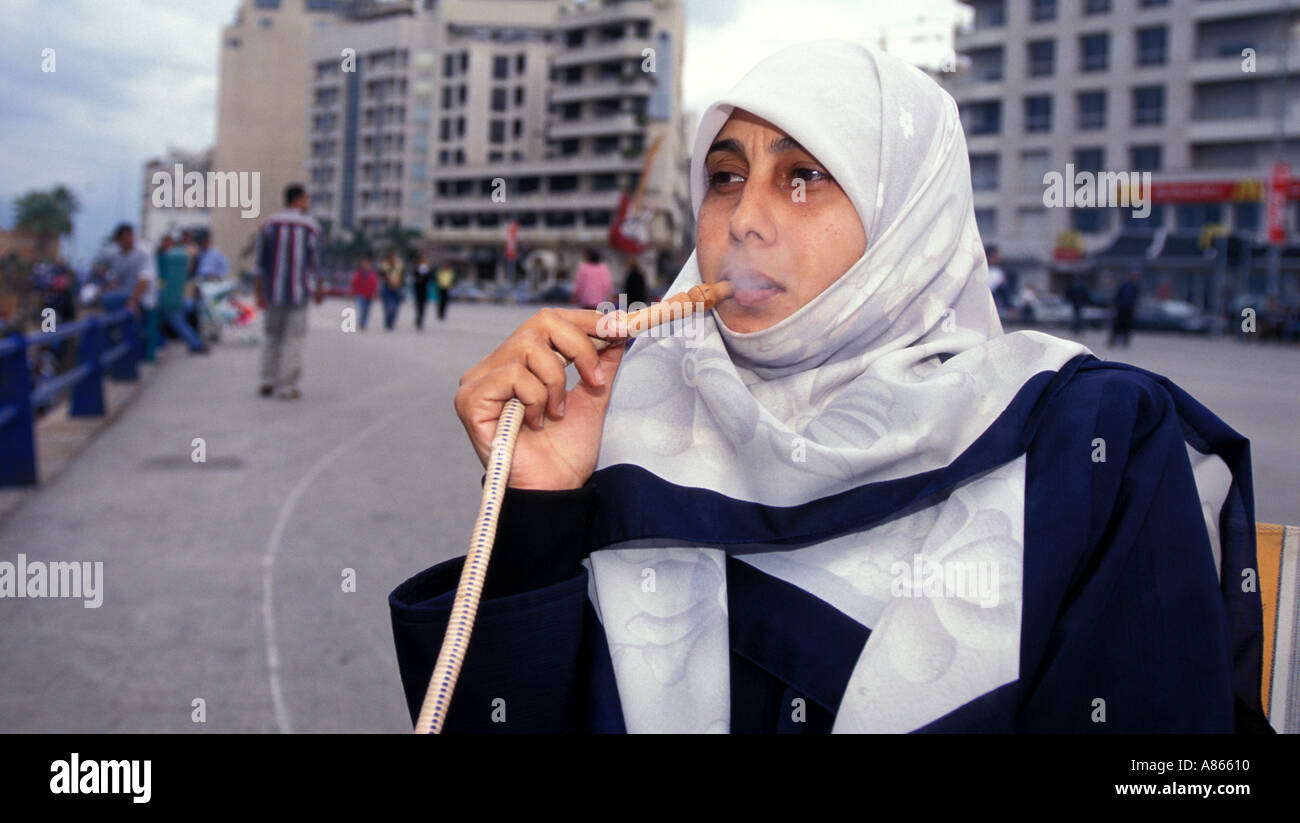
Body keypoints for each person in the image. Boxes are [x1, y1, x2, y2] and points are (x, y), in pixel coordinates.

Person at [390, 40, 1270, 733]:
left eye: (804, 176)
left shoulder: (1090, 437)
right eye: (726, 176)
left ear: (907, 223)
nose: (745, 220)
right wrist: (538, 504)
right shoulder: (627, 416)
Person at [255, 184, 324, 399]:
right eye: (307, 199)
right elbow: (317, 264)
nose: (308, 203)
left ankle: (267, 379)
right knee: (293, 338)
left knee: (271, 336)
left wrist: (259, 292)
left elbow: (260, 264)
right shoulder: (311, 227)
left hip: (272, 291)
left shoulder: (268, 224)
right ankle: (287, 385)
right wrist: (319, 289)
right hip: (299, 292)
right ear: (299, 200)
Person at [103, 224, 160, 360]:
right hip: (127, 294)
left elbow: (144, 280)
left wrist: (133, 300)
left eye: (131, 236)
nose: (129, 239)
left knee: (143, 333)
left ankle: (136, 356)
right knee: (108, 302)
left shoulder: (143, 252)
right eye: (125, 237)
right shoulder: (117, 255)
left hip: (144, 296)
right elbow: (116, 278)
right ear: (118, 240)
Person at [158, 234, 209, 353]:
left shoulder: (175, 257)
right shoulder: (163, 258)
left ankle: (195, 342)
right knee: (176, 319)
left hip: (173, 297)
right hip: (167, 296)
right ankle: (195, 343)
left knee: (184, 313)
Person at [1110, 270, 1140, 347]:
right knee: (1117, 325)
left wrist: (1135, 308)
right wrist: (1114, 305)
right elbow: (1117, 295)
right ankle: (1113, 340)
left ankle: (1125, 341)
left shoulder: (1136, 286)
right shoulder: (1124, 285)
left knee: (1127, 326)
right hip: (1121, 307)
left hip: (1129, 309)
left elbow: (1136, 299)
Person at [350, 256, 379, 330]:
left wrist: (374, 293)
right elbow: (354, 283)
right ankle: (362, 323)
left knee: (367, 310)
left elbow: (374, 285)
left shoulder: (372, 274)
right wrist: (353, 292)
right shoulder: (358, 273)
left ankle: (364, 322)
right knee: (362, 309)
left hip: (369, 295)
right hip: (360, 294)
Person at [380, 250, 405, 331]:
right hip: (387, 287)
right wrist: (389, 283)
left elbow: (402, 275)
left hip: (397, 287)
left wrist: (398, 284)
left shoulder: (399, 264)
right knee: (387, 307)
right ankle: (388, 322)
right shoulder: (384, 265)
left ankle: (391, 322)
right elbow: (382, 276)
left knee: (395, 307)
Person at [411, 253, 433, 330]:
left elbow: (430, 278)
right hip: (417, 289)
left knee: (423, 306)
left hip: (424, 290)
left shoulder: (427, 269)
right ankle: (418, 319)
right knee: (417, 305)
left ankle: (420, 320)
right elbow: (414, 277)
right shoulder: (416, 268)